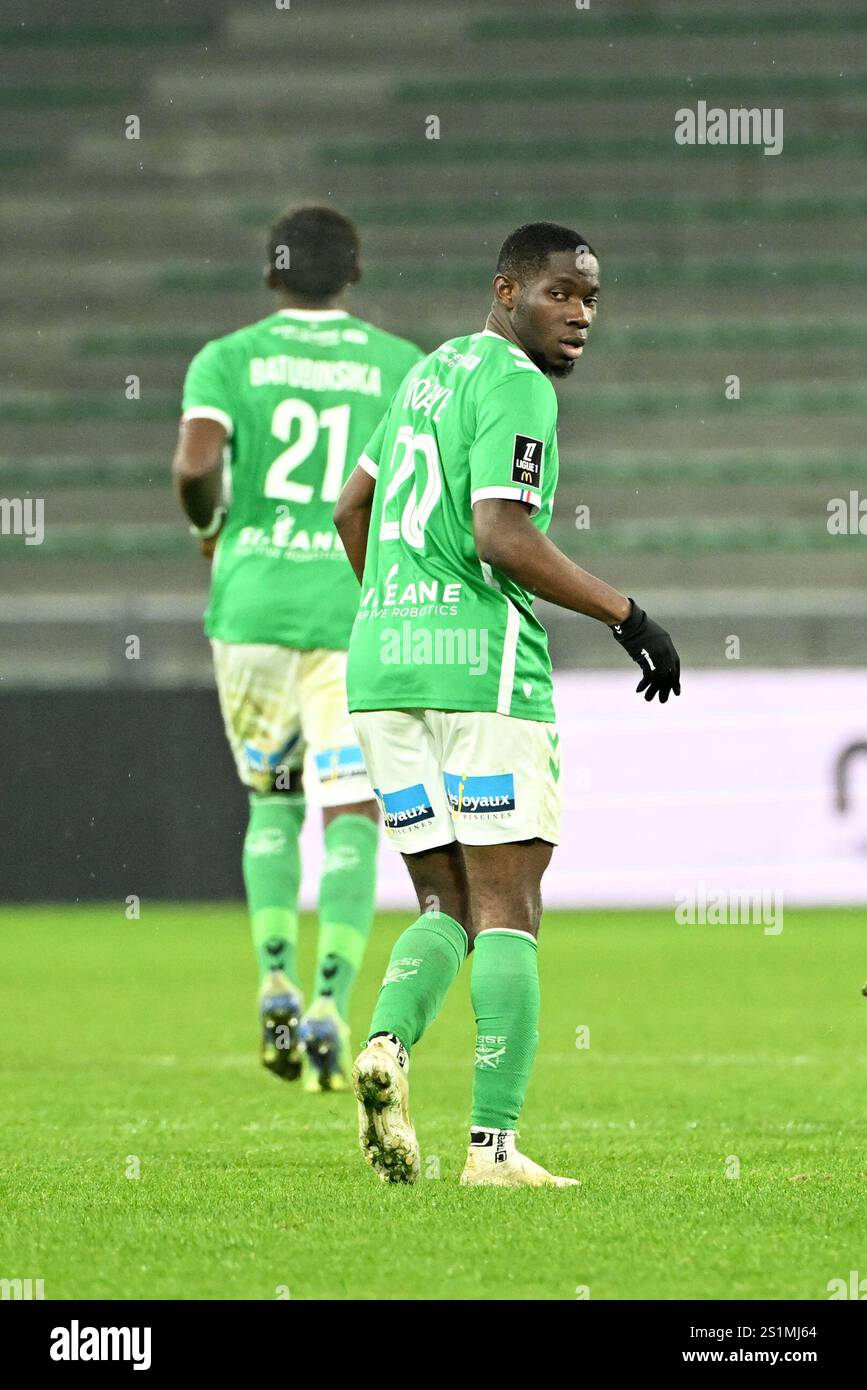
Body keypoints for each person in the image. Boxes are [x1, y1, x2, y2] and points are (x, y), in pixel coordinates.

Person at [334, 221, 680, 1182]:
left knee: (442, 900)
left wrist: (393, 612)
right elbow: (499, 533)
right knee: (509, 905)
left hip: (382, 668)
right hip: (481, 674)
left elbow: (348, 509)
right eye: (560, 293)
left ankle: (386, 1049)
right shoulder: (515, 384)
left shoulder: (425, 373)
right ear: (505, 291)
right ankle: (491, 1147)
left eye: (591, 300)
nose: (577, 316)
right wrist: (626, 613)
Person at [173, 205, 423, 1091]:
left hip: (251, 612)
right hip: (354, 611)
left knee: (272, 801)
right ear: (353, 273)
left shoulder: (227, 359)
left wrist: (212, 531)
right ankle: (329, 1000)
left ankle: (273, 973)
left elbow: (196, 466)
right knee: (352, 812)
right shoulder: (401, 367)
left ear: (270, 275)